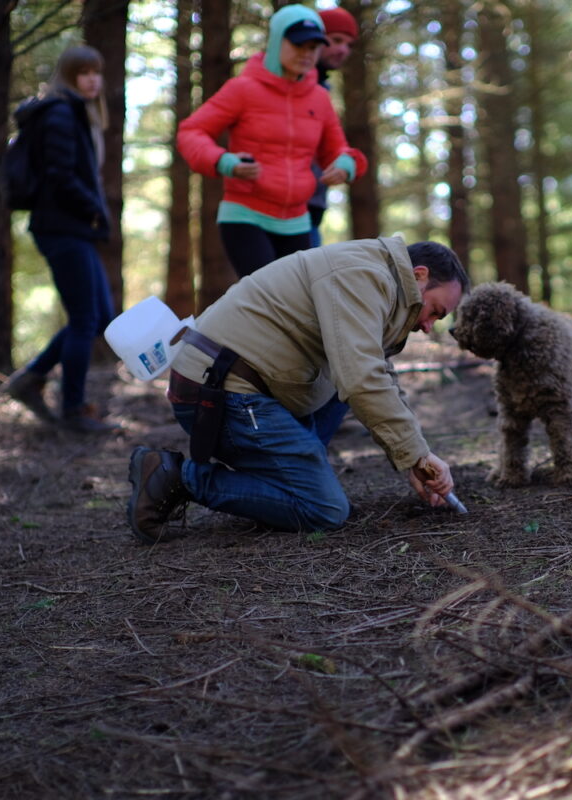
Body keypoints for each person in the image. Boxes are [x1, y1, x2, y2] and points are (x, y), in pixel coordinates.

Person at [126, 237, 470, 543]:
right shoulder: (362, 276)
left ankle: (287, 477)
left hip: (243, 385)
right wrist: (417, 456)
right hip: (219, 392)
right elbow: (362, 378)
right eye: (435, 312)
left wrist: (415, 457)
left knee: (349, 385)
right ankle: (178, 477)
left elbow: (376, 372)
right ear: (420, 275)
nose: (427, 327)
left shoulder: (376, 276)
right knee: (324, 509)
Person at [176, 4, 367, 278]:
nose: (306, 54)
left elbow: (337, 149)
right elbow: (191, 132)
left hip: (297, 221)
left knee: (296, 307)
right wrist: (224, 161)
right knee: (267, 299)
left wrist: (346, 164)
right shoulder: (242, 89)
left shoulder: (319, 98)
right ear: (278, 41)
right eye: (300, 45)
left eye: (314, 47)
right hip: (245, 215)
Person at [3, 45, 118, 433]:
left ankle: (31, 378)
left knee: (100, 316)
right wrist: (95, 210)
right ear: (68, 77)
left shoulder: (75, 112)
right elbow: (60, 175)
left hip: (73, 227)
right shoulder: (60, 112)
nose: (92, 79)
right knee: (86, 318)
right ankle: (72, 410)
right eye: (83, 73)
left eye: (96, 72)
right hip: (62, 226)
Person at [307, 6, 360, 248]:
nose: (343, 50)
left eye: (349, 45)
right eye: (336, 40)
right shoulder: (287, 85)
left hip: (314, 202)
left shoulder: (324, 90)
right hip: (280, 208)